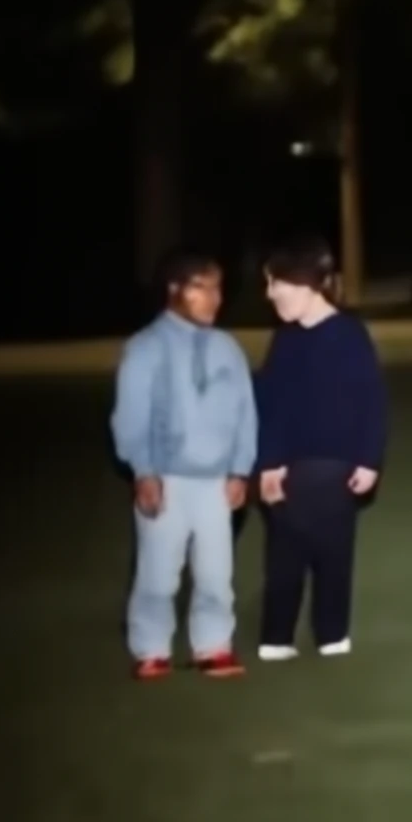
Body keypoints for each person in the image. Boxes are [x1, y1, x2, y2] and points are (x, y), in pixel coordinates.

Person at [111, 250, 257, 680]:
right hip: (167, 479)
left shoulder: (227, 347)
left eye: (217, 288)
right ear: (174, 291)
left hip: (216, 481)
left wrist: (239, 469)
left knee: (216, 572)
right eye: (201, 287)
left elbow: (245, 412)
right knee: (158, 571)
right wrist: (144, 471)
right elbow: (131, 414)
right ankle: (151, 648)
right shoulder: (145, 347)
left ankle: (213, 646)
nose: (214, 298)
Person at [255, 238, 388, 660]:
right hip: (290, 464)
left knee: (333, 551)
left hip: (335, 464)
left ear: (308, 284)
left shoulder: (350, 335)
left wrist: (369, 459)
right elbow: (270, 404)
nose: (270, 294)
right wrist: (269, 463)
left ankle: (331, 632)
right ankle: (277, 636)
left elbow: (372, 401)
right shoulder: (285, 339)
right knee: (284, 554)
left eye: (277, 284)